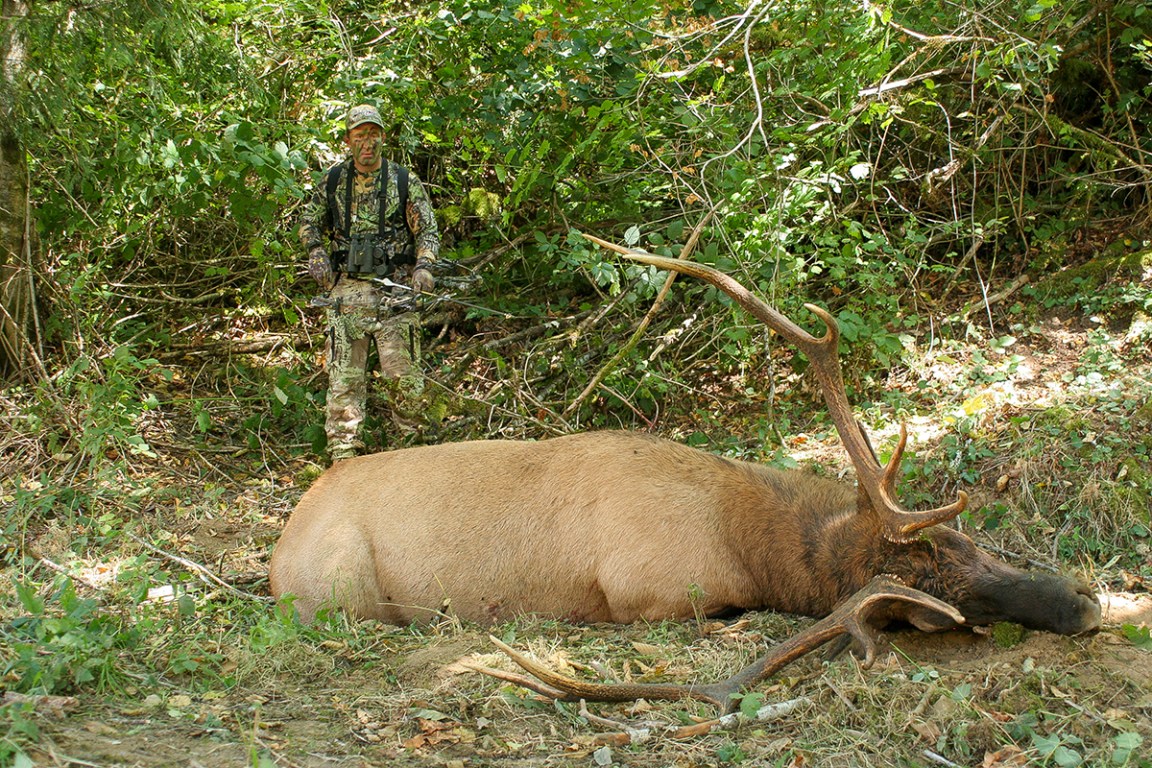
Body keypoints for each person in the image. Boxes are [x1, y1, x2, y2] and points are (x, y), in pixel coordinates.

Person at [298, 104, 441, 461]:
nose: (367, 143)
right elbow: (307, 222)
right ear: (348, 140)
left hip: (395, 295)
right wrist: (315, 251)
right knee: (344, 385)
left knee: (405, 385)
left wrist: (424, 266)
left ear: (383, 137)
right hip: (347, 296)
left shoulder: (403, 181)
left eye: (373, 134)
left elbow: (428, 230)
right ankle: (344, 463)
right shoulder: (332, 182)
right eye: (359, 135)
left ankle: (415, 461)